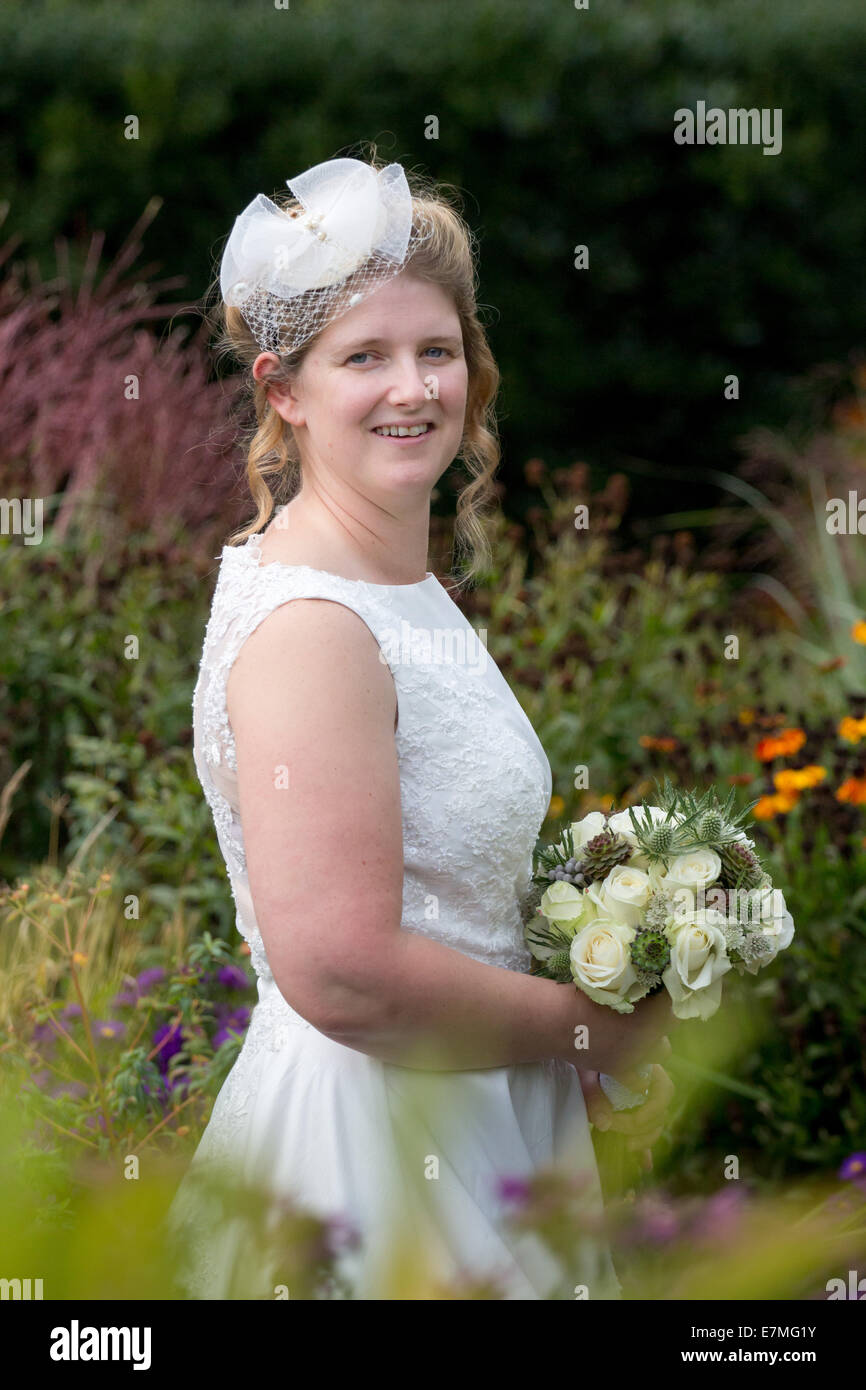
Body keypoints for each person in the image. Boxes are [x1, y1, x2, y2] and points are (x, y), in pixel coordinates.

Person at [167, 151, 674, 1300]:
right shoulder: (310, 627)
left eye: (435, 350)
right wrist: (587, 1030)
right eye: (365, 357)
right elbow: (343, 973)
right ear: (283, 389)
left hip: (478, 1110)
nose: (413, 389)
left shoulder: (398, 586)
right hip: (378, 1152)